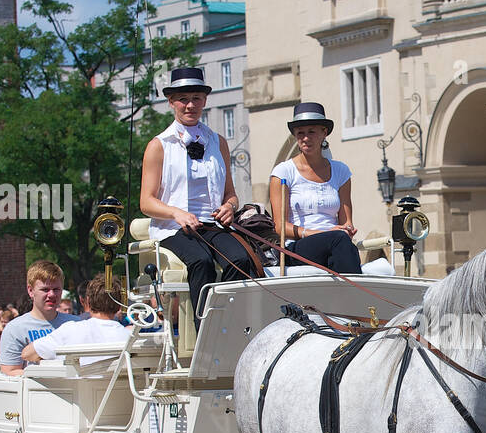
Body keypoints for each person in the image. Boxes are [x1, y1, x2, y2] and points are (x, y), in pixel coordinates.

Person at [139, 66, 253, 327]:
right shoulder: (159, 145)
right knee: (200, 261)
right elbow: (146, 201)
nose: (190, 105)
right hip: (174, 228)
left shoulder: (218, 142)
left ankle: (229, 325)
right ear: (171, 101)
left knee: (240, 259)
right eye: (183, 99)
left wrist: (229, 206)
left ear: (205, 100)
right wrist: (176, 213)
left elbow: (231, 194)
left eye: (196, 99)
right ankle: (206, 331)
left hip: (212, 225)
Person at [269, 101, 361, 274]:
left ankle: (344, 296)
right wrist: (319, 233)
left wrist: (347, 229)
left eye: (311, 132)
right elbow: (280, 227)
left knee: (342, 246)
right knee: (340, 242)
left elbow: (346, 221)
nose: (305, 138)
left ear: (324, 133)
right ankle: (359, 297)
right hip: (297, 246)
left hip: (335, 242)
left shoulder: (341, 171)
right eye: (300, 133)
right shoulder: (283, 172)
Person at [22, 275, 130, 366]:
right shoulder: (129, 337)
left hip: (79, 390)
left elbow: (27, 354)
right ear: (119, 305)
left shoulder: (71, 330)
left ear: (87, 301)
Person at [0, 261, 81, 376]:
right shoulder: (15, 329)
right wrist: (50, 376)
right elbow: (9, 371)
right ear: (30, 291)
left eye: (56, 289)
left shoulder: (76, 324)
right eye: (45, 289)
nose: (52, 294)